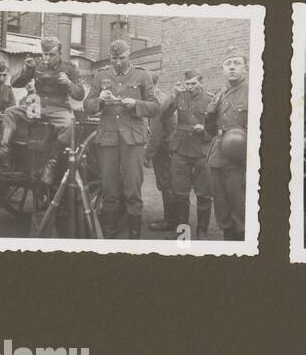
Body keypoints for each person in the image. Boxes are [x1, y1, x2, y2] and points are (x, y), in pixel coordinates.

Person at [84, 39, 160, 238]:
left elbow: (154, 107)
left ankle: (133, 235)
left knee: (132, 188)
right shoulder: (100, 75)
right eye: (114, 58)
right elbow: (87, 105)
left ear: (130, 56)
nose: (118, 62)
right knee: (109, 188)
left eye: (122, 58)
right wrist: (99, 101)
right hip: (107, 138)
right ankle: (109, 232)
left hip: (132, 140)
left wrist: (136, 103)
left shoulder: (142, 75)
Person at [0, 36, 84, 180]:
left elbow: (80, 95)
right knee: (10, 112)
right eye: (45, 54)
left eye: (52, 55)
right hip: (37, 106)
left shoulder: (70, 68)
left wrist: (69, 83)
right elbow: (14, 83)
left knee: (70, 125)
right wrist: (25, 70)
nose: (47, 58)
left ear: (59, 53)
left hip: (58, 107)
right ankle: (4, 149)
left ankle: (51, 163)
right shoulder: (36, 65)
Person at [161, 68, 213, 239]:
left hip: (202, 150)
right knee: (180, 192)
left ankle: (202, 230)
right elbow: (163, 114)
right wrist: (173, 95)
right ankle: (183, 231)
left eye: (194, 84)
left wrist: (205, 129)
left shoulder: (211, 99)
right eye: (187, 84)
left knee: (204, 194)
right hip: (181, 149)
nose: (190, 87)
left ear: (201, 83)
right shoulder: (179, 96)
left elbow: (217, 126)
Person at [204, 50, 250, 240]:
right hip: (218, 156)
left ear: (245, 68)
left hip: (239, 159)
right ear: (223, 69)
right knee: (222, 208)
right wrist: (209, 114)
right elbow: (210, 131)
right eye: (228, 63)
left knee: (239, 210)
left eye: (237, 63)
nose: (232, 66)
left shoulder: (252, 92)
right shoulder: (219, 94)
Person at [144, 70, 179, 232]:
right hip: (169, 146)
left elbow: (156, 133)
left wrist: (147, 155)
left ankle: (170, 221)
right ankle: (173, 219)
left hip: (163, 148)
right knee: (169, 183)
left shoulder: (156, 101)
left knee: (165, 184)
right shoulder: (163, 96)